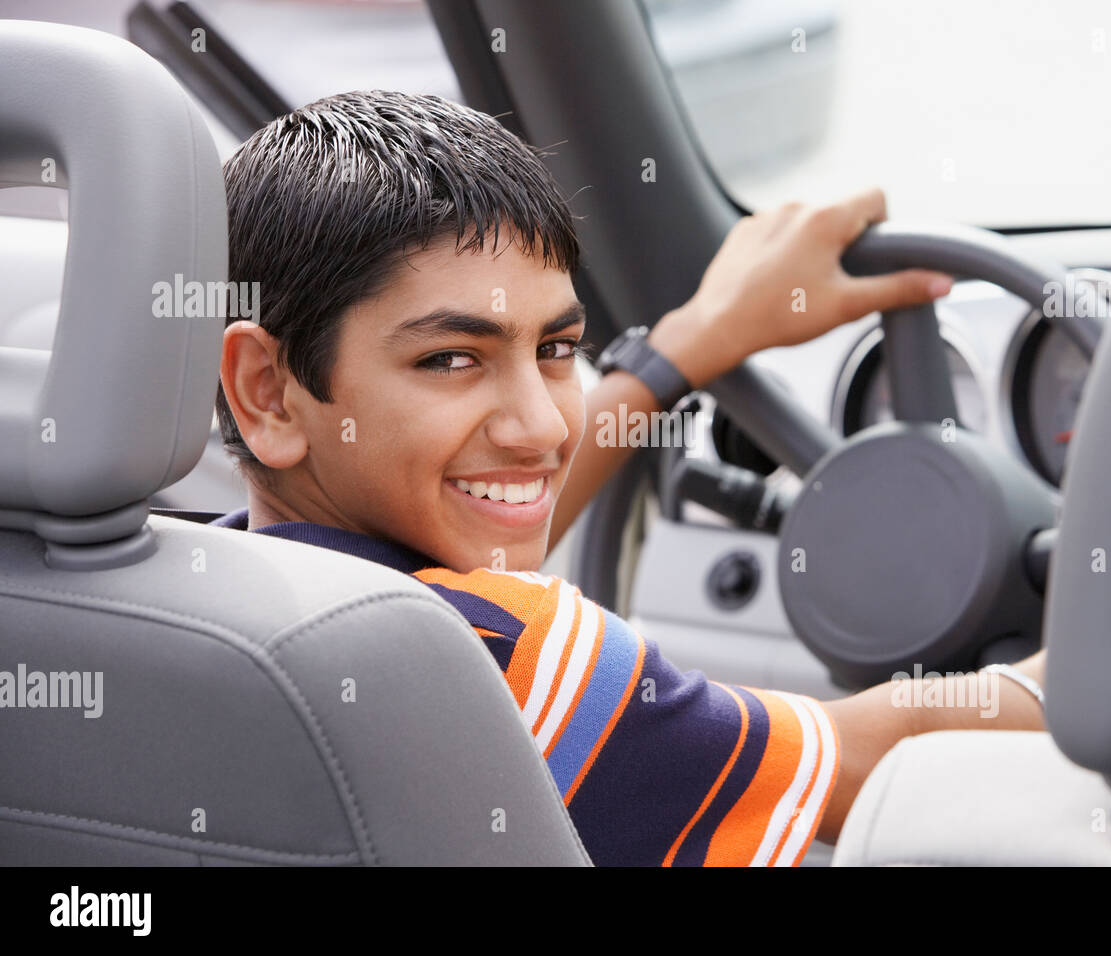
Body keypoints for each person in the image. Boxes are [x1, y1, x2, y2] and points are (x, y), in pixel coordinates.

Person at [212, 90, 1047, 866]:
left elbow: (470, 566)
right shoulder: (506, 664)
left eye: (555, 350)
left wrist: (691, 342)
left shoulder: (186, 589)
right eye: (451, 359)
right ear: (268, 391)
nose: (541, 425)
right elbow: (874, 761)